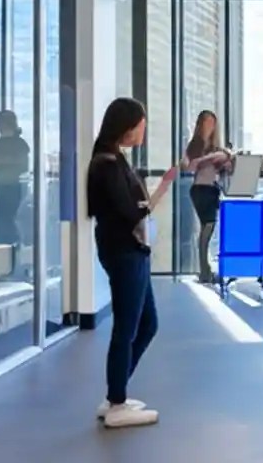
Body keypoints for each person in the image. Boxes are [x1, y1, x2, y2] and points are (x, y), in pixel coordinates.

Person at [86, 97, 178, 428]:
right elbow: (132, 213)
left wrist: (163, 186)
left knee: (147, 324)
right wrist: (157, 194)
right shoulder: (108, 165)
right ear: (128, 127)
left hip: (130, 251)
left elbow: (137, 210)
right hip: (125, 253)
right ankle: (116, 401)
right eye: (141, 123)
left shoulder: (113, 161)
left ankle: (117, 392)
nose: (144, 129)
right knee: (127, 327)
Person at [182, 110, 230, 284]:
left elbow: (225, 163)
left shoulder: (216, 148)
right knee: (207, 228)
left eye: (212, 122)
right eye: (206, 122)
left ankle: (206, 270)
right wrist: (207, 159)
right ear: (200, 124)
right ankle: (204, 271)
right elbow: (188, 167)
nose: (210, 126)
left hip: (212, 190)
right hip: (200, 190)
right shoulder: (195, 145)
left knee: (208, 229)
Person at [0, 110, 31, 280]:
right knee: (4, 227)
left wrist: (1, 163)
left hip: (13, 189)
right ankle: (7, 266)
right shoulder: (1, 144)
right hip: (3, 188)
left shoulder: (18, 145)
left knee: (11, 226)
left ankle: (14, 266)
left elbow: (22, 167)